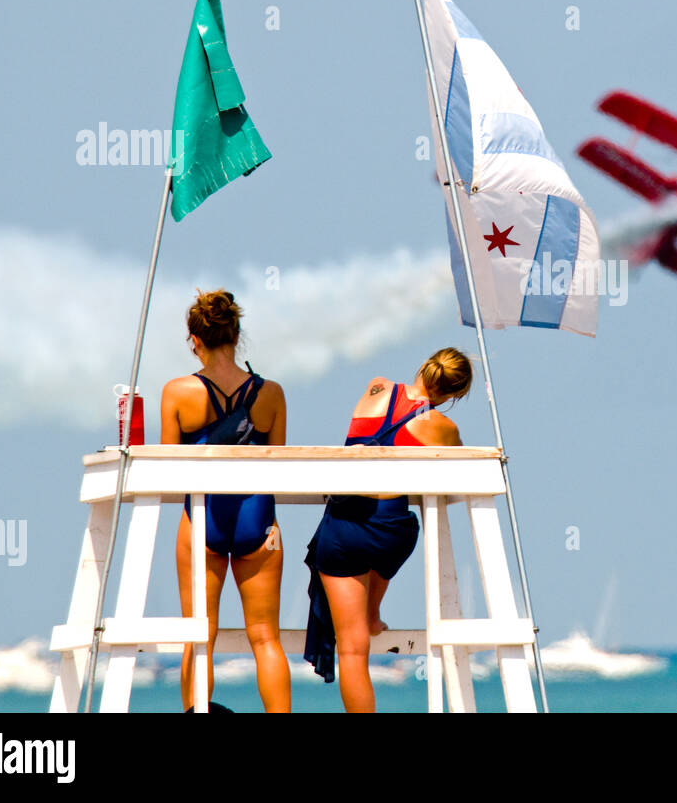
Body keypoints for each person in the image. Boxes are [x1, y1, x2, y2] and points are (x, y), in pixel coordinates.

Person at [304, 348, 472, 712]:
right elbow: (460, 464)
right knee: (402, 531)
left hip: (344, 526)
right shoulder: (442, 427)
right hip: (389, 527)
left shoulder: (377, 387)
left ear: (425, 364)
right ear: (453, 394)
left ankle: (367, 617)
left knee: (352, 648)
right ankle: (373, 611)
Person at [161, 289, 290, 713]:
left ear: (194, 340)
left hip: (203, 520)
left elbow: (167, 469)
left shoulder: (177, 392)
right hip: (259, 520)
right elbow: (279, 462)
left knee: (199, 636)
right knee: (266, 637)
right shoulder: (271, 393)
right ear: (236, 337)